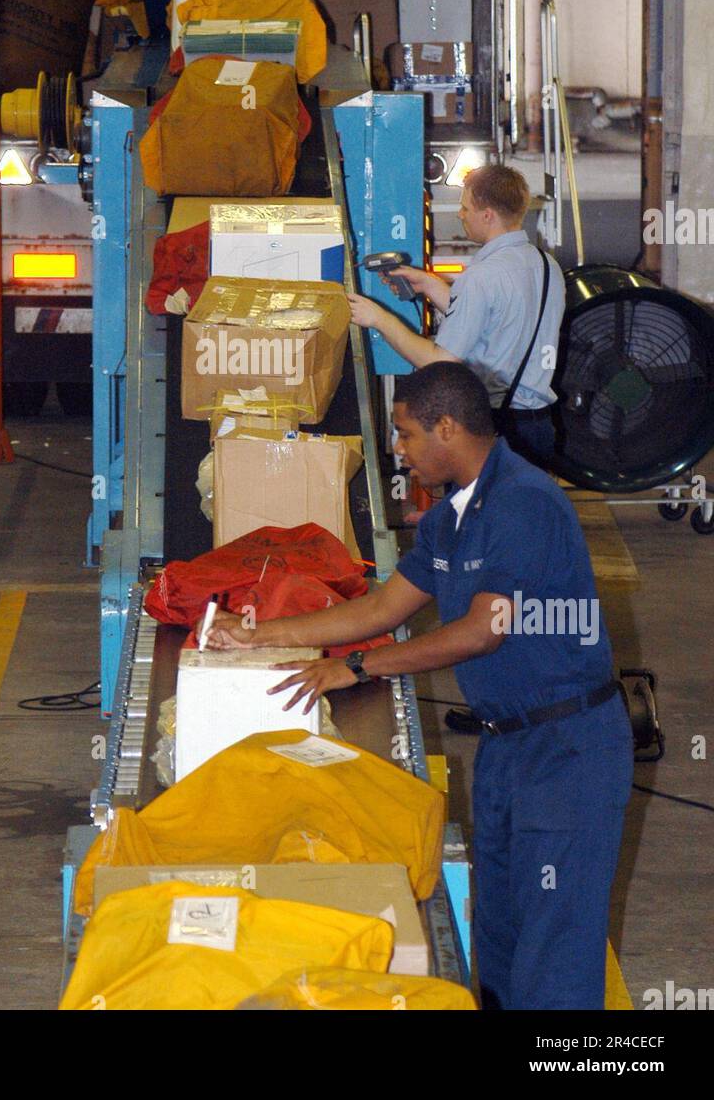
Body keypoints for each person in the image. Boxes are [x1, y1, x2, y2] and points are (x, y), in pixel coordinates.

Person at [205, 362, 633, 1012]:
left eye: (405, 435)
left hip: (567, 750)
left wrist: (357, 668)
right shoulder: (451, 516)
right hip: (505, 747)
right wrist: (261, 634)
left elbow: (481, 632)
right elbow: (382, 610)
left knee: (556, 951)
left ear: (448, 427)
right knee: (499, 941)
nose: (398, 450)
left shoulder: (523, 504)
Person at [348, 163, 565, 463]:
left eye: (465, 208)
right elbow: (496, 320)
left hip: (493, 431)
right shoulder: (546, 265)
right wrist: (429, 285)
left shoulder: (482, 276)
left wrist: (380, 319)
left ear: (487, 215)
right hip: (538, 428)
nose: (460, 215)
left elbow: (439, 361)